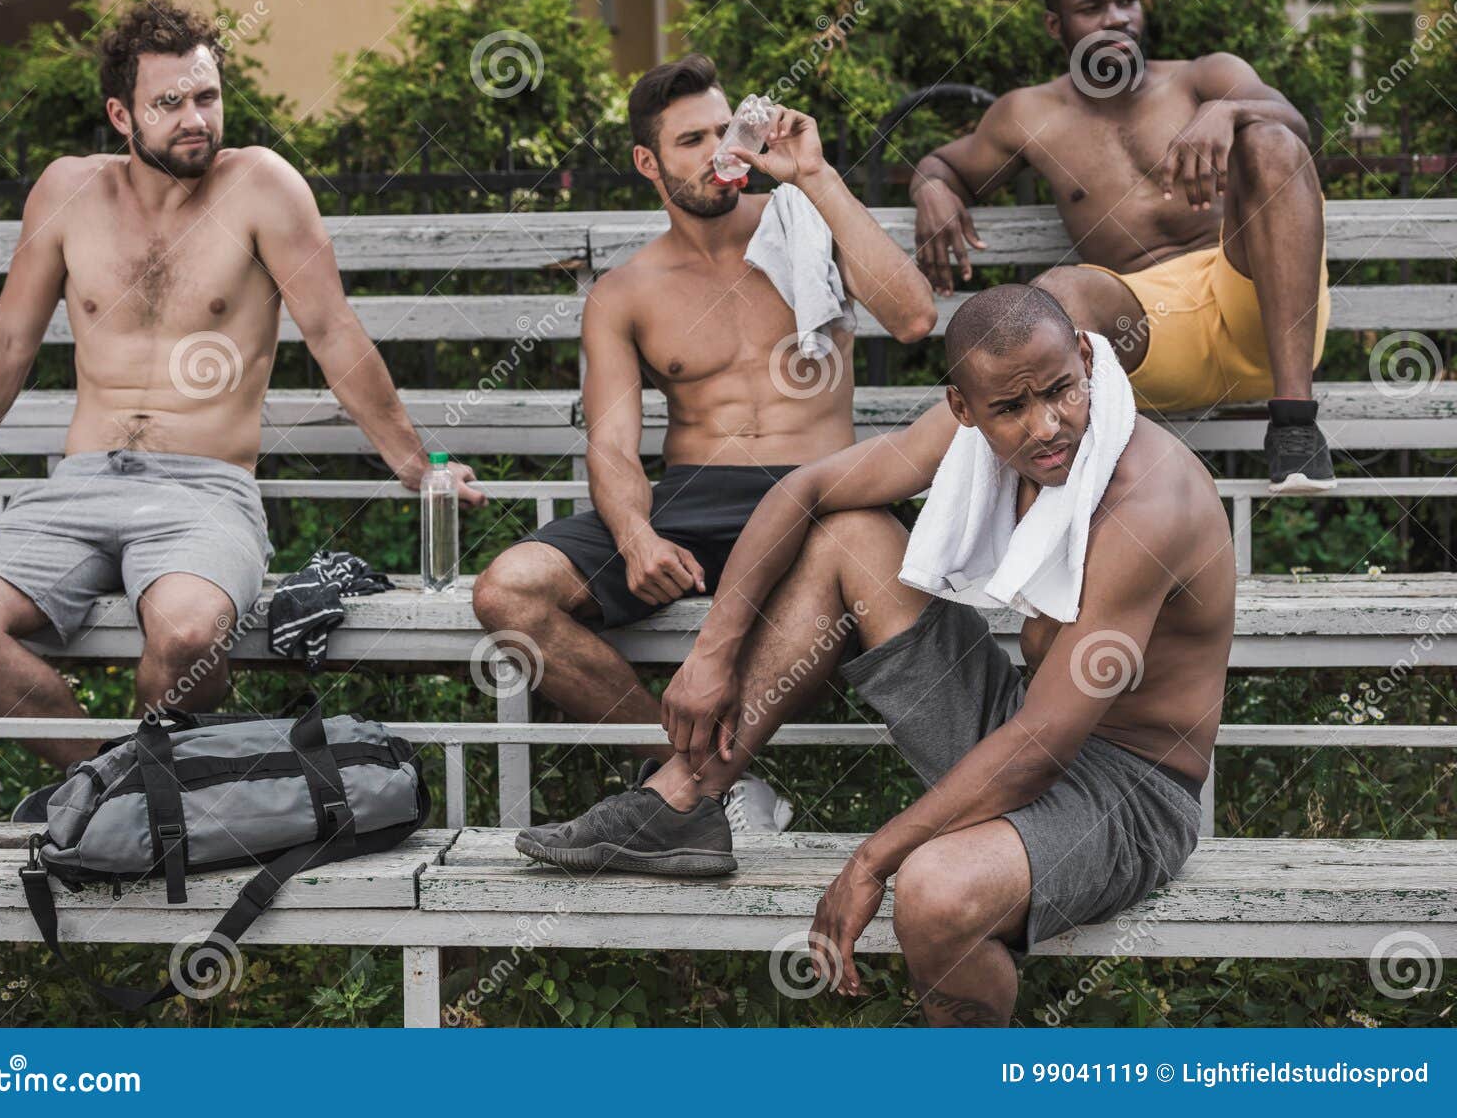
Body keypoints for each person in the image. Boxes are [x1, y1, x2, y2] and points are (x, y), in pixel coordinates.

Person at [517, 283, 1234, 1027]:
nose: (1046, 426)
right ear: (963, 408)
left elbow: (1042, 748)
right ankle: (685, 797)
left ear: (1085, 357)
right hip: (1025, 722)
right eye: (1011, 409)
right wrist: (711, 654)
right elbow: (805, 489)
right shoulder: (983, 418)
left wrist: (870, 861)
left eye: (1060, 391)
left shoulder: (1149, 502)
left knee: (933, 893)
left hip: (1128, 790)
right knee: (849, 534)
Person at [0, 0, 481, 788]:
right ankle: (112, 791)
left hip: (205, 490)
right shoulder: (67, 191)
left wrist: (414, 464)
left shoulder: (262, 186)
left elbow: (333, 332)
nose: (195, 120)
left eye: (206, 97)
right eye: (169, 103)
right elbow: (9, 338)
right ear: (122, 114)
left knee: (187, 637)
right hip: (80, 486)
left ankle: (124, 804)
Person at [473, 54, 936, 830]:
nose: (719, 152)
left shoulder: (805, 227)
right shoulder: (625, 293)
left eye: (725, 131)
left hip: (817, 499)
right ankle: (703, 779)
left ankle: (688, 792)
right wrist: (635, 535)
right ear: (647, 162)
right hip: (694, 505)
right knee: (507, 591)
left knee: (846, 544)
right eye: (691, 141)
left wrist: (815, 176)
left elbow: (915, 316)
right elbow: (612, 446)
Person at [910, 0, 1335, 493]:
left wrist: (1229, 112)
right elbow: (945, 165)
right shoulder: (1029, 115)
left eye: (1126, 0)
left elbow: (1295, 128)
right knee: (1055, 294)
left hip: (1264, 315)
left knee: (1269, 138)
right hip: (1153, 336)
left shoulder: (1205, 78)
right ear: (1055, 24)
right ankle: (1062, 505)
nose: (1117, 18)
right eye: (1092, 8)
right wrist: (931, 188)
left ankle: (1295, 428)